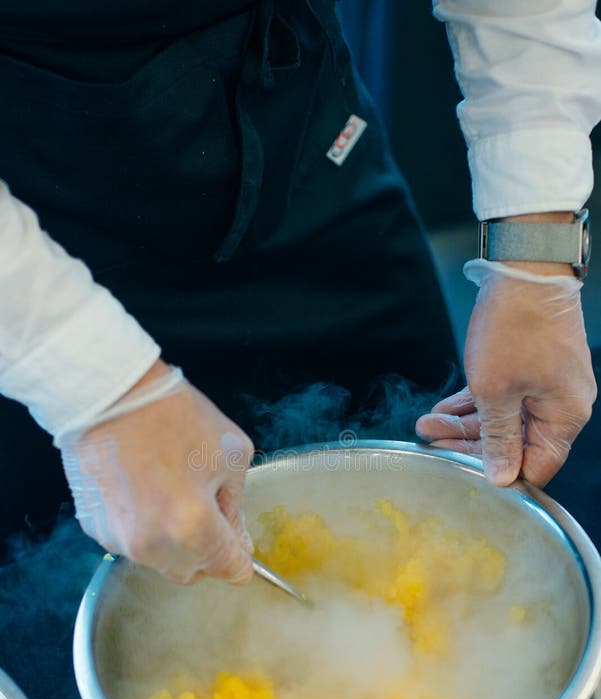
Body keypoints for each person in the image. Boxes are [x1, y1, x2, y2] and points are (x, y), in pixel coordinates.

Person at [0, 0, 598, 585]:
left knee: (436, 467)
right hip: (39, 250)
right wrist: (94, 389)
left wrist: (535, 260)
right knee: (59, 587)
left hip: (304, 136)